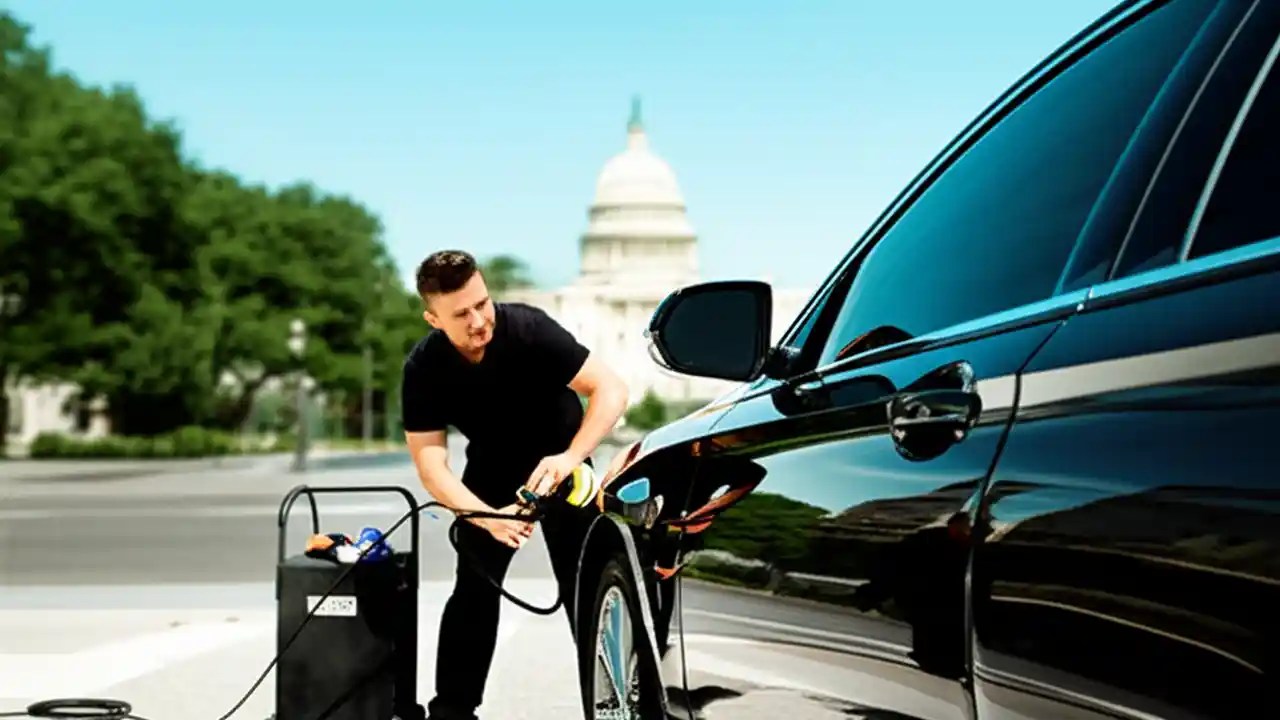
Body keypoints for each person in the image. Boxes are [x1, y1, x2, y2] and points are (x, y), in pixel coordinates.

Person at [400, 249, 629, 720]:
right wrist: (481, 516)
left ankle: (614, 706)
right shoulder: (423, 368)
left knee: (588, 590)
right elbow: (431, 465)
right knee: (473, 590)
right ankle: (453, 712)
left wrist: (571, 456)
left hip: (562, 464)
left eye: (482, 303)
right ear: (432, 319)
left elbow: (610, 389)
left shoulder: (529, 329)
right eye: (461, 314)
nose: (479, 319)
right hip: (491, 469)